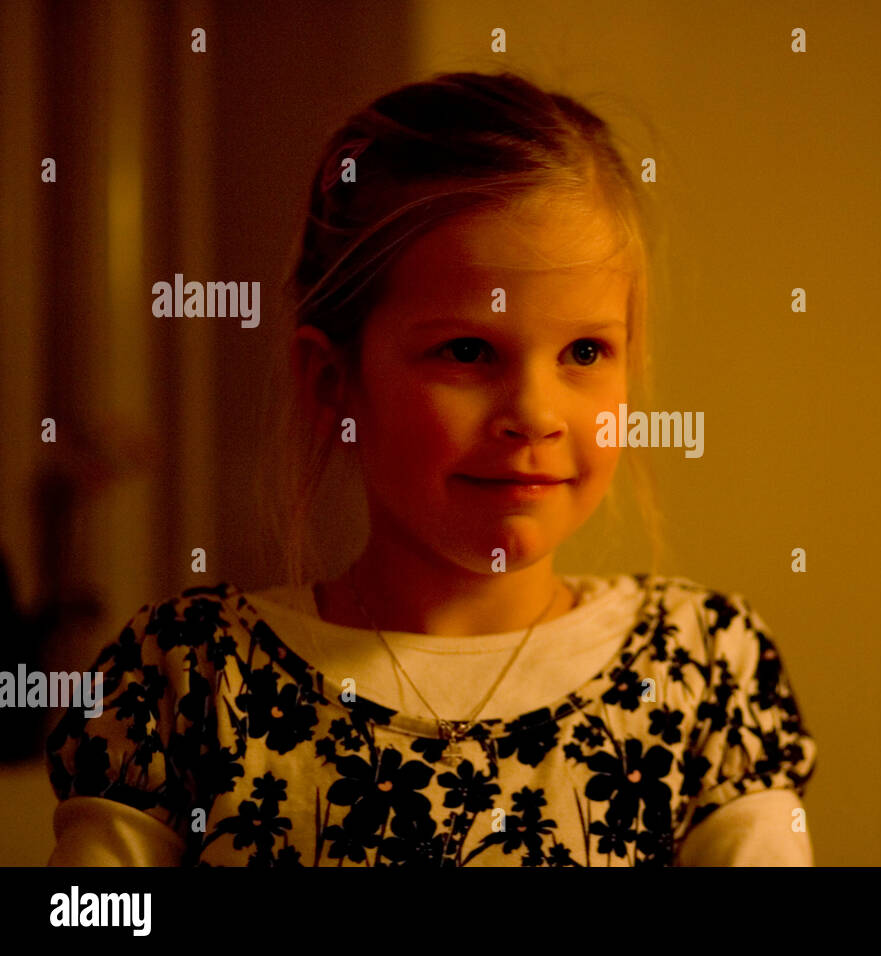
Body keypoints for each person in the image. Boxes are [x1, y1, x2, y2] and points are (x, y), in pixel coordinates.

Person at [45, 71, 816, 866]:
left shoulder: (703, 674)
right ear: (332, 381)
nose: (536, 413)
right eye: (468, 351)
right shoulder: (189, 682)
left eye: (584, 351)